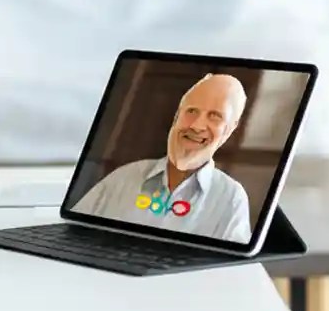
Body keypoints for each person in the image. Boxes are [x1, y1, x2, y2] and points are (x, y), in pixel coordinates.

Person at [71, 73, 251, 243]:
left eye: (215, 116)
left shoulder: (231, 198)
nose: (197, 125)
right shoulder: (123, 177)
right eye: (192, 111)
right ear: (176, 116)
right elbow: (72, 232)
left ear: (229, 130)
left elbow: (231, 264)